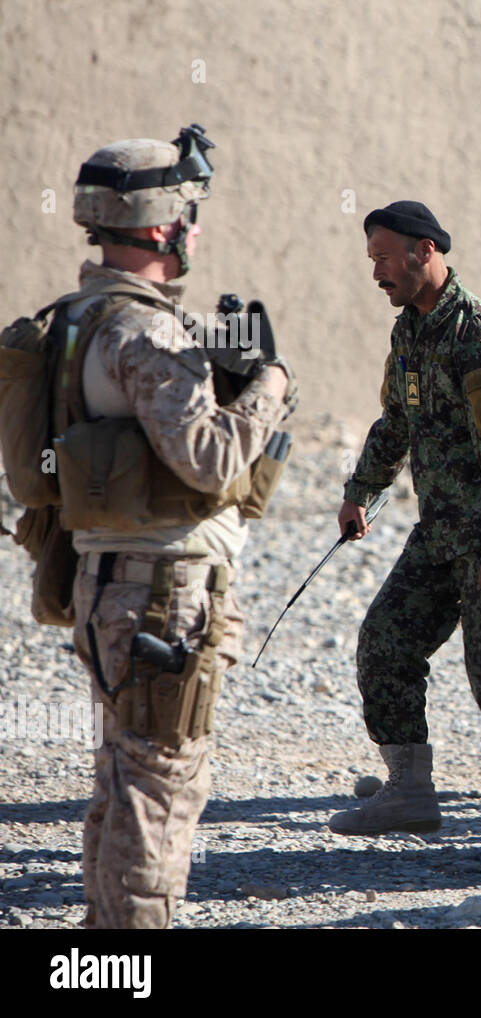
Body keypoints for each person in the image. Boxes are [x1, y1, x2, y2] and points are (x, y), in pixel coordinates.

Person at [62, 127, 294, 926]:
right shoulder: (144, 329)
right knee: (159, 789)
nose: (192, 231)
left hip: (112, 584)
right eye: (186, 216)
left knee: (123, 776)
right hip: (163, 595)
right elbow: (210, 459)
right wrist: (268, 386)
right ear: (161, 226)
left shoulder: (80, 317)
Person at [329, 201, 481, 851]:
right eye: (372, 260)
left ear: (425, 252)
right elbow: (397, 422)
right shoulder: (411, 331)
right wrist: (362, 492)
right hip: (440, 533)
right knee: (386, 642)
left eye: (385, 258)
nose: (377, 273)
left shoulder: (479, 335)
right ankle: (408, 791)